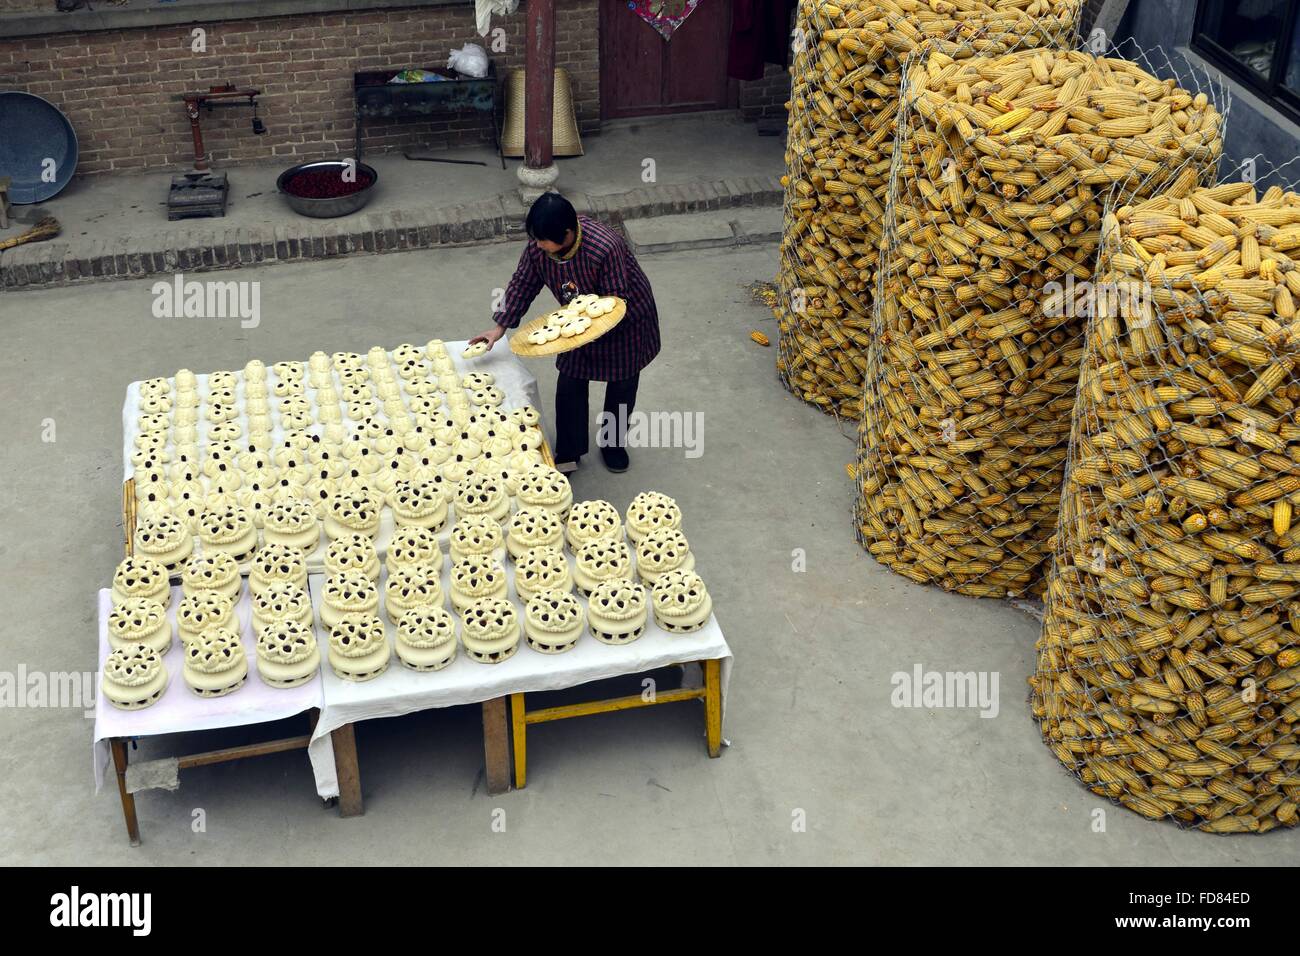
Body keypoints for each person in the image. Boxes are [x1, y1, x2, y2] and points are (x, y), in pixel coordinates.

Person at [470, 192, 660, 473]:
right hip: (574, 319)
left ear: (568, 233)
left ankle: (613, 444)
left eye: (543, 241)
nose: (538, 246)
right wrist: (499, 328)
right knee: (570, 382)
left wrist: (584, 328)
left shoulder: (606, 247)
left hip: (625, 316)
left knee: (622, 385)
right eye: (535, 239)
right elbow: (523, 283)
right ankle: (569, 451)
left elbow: (614, 300)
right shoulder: (540, 246)